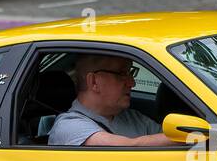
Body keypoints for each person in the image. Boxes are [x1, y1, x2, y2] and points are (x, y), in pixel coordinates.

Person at [48, 54, 176, 147]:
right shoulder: (68, 126)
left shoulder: (132, 117)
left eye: (131, 73)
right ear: (94, 82)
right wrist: (190, 137)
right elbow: (129, 147)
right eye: (122, 74)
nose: (132, 83)